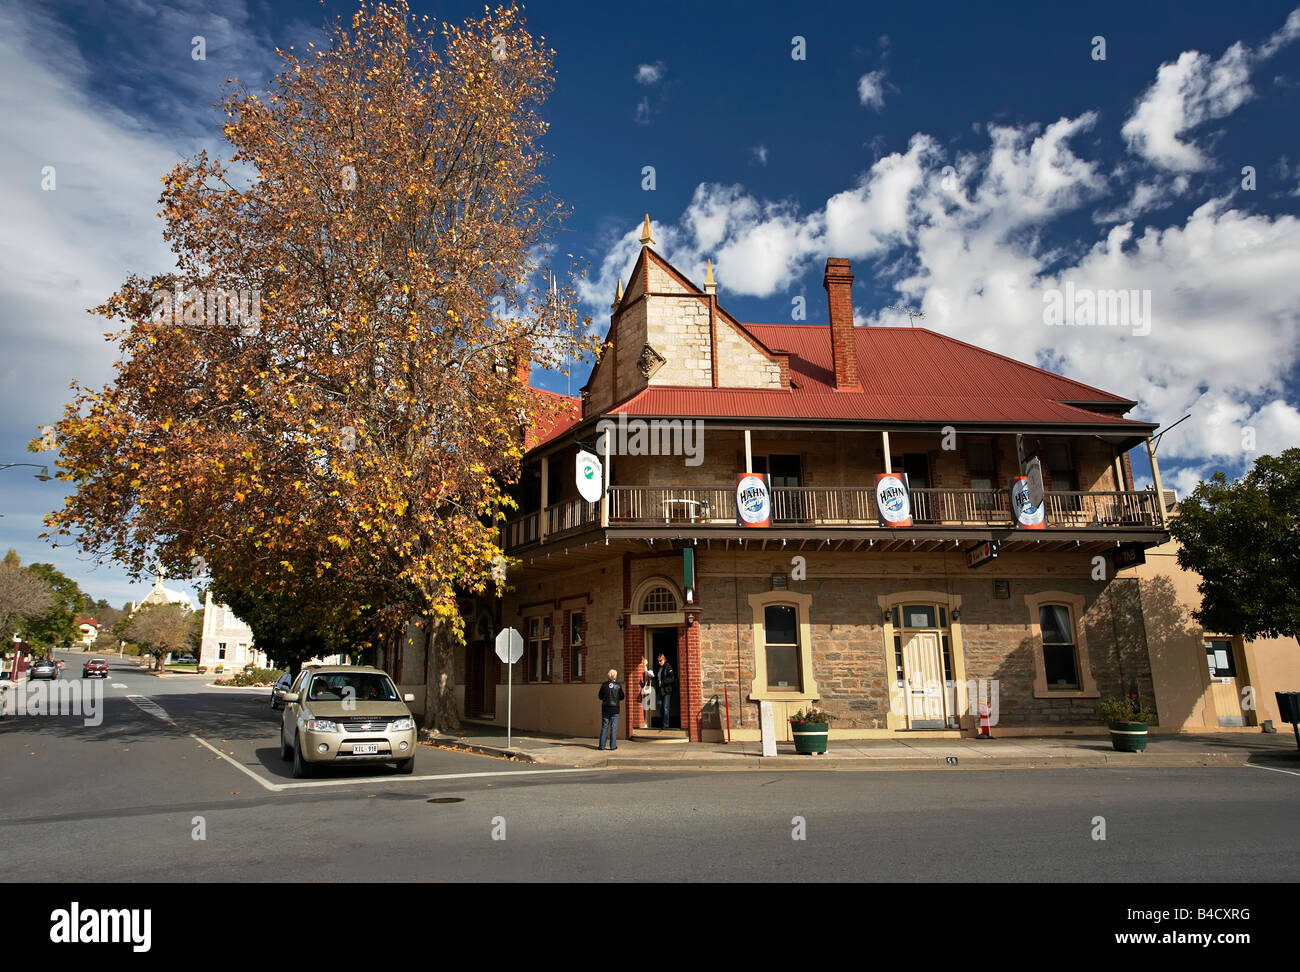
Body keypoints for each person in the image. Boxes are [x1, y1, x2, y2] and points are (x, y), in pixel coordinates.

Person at [597, 669, 624, 750]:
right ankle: (612, 746)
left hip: (605, 708)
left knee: (604, 726)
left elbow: (600, 696)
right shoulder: (618, 685)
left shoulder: (604, 685)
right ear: (615, 676)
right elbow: (622, 696)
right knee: (614, 727)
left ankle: (602, 746)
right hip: (615, 708)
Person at [655, 653, 676, 730]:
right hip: (660, 689)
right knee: (659, 704)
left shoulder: (668, 666)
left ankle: (665, 724)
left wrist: (662, 682)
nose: (659, 662)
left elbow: (672, 678)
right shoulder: (660, 668)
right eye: (658, 661)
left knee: (665, 707)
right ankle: (664, 720)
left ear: (664, 660)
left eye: (660, 661)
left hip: (667, 690)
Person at [639, 663, 656, 729]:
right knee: (646, 709)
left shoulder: (649, 680)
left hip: (648, 696)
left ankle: (646, 723)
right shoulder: (648, 680)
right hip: (648, 696)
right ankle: (646, 723)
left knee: (647, 709)